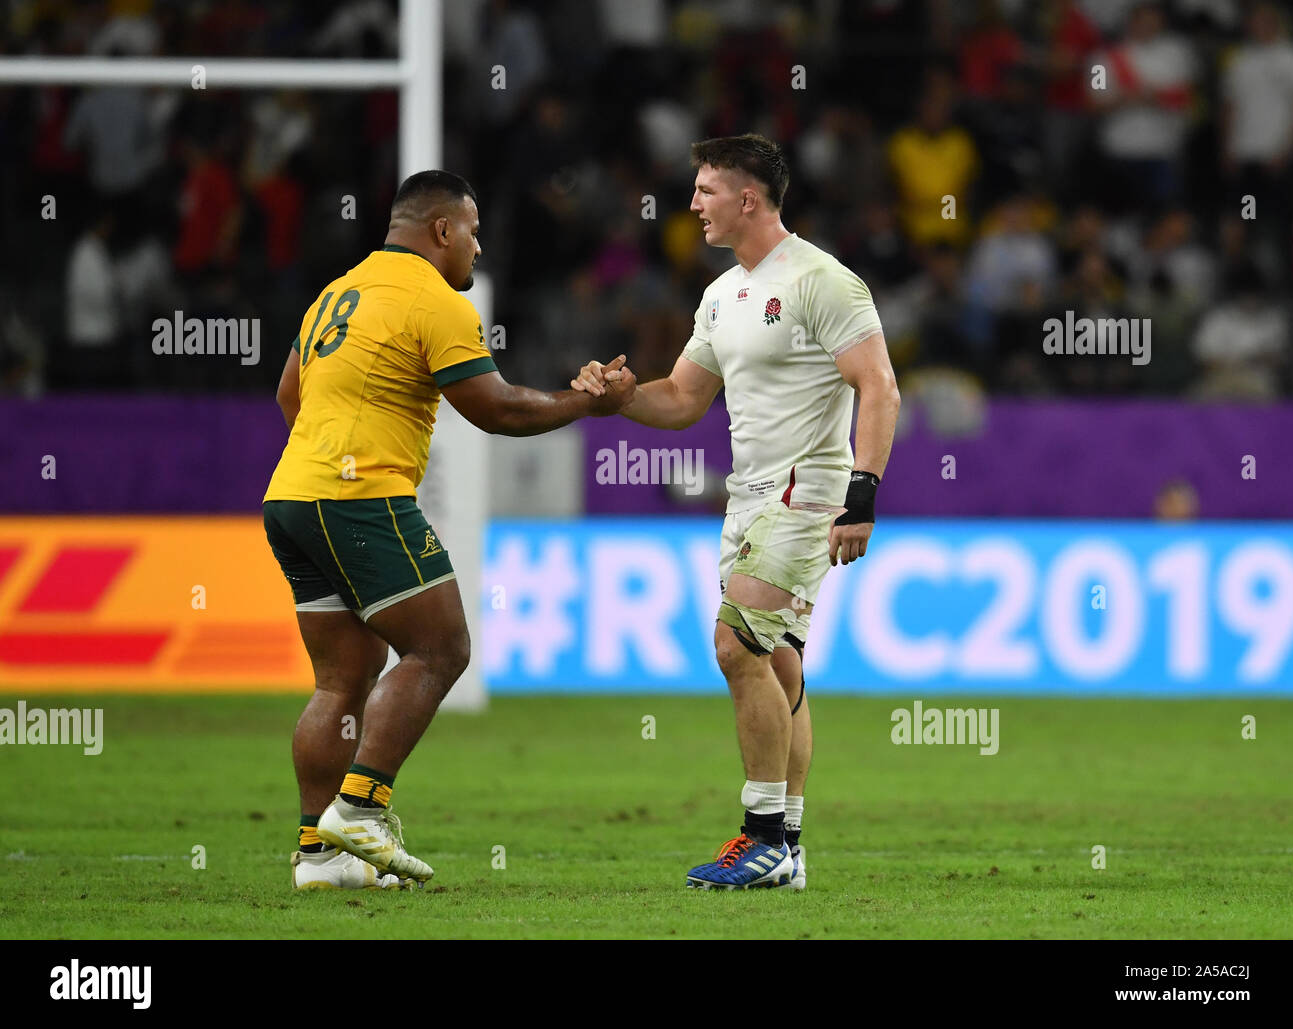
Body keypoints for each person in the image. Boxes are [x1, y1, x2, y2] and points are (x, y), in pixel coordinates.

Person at [264, 170, 635, 890]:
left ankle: (318, 854)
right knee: (441, 647)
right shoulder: (434, 300)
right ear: (441, 230)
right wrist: (585, 404)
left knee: (341, 680)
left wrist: (323, 468)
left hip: (290, 496)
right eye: (471, 230)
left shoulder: (337, 292)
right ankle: (361, 809)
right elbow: (497, 410)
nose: (478, 245)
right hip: (357, 495)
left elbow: (289, 393)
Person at [572, 135, 900, 890]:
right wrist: (620, 398)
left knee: (734, 643)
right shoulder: (723, 294)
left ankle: (760, 836)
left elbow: (878, 386)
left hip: (808, 489)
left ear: (747, 199)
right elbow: (684, 398)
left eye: (705, 190)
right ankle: (786, 844)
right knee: (778, 661)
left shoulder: (824, 281)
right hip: (748, 498)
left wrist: (864, 491)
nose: (692, 204)